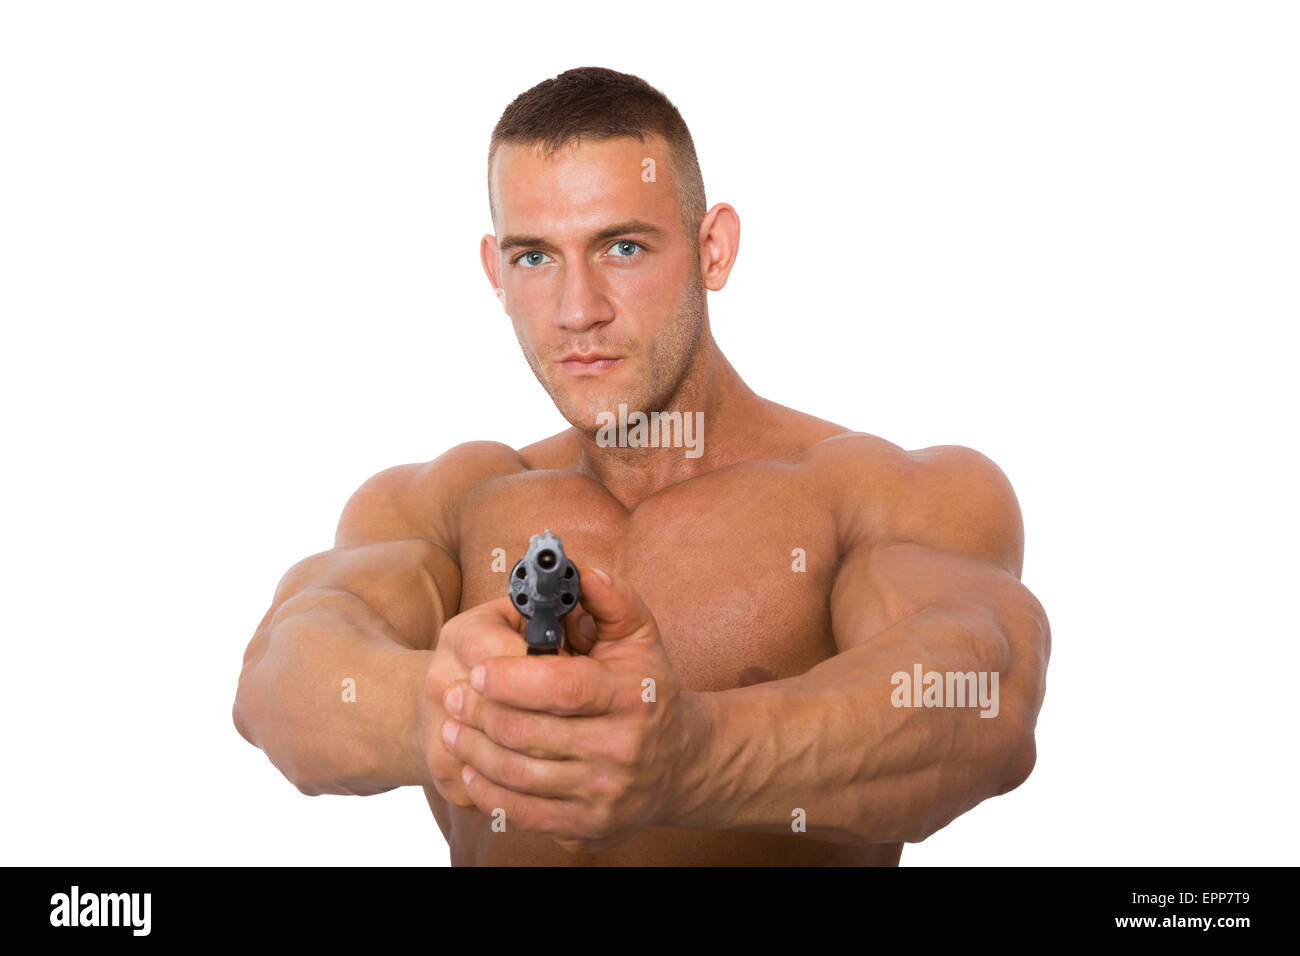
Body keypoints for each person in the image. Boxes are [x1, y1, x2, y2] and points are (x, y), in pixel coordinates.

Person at [232, 67, 1051, 866]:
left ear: (713, 251)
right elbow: (278, 675)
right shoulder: (448, 503)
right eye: (534, 258)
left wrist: (690, 757)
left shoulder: (882, 494)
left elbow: (986, 697)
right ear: (494, 273)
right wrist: (446, 716)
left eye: (621, 247)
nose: (576, 309)